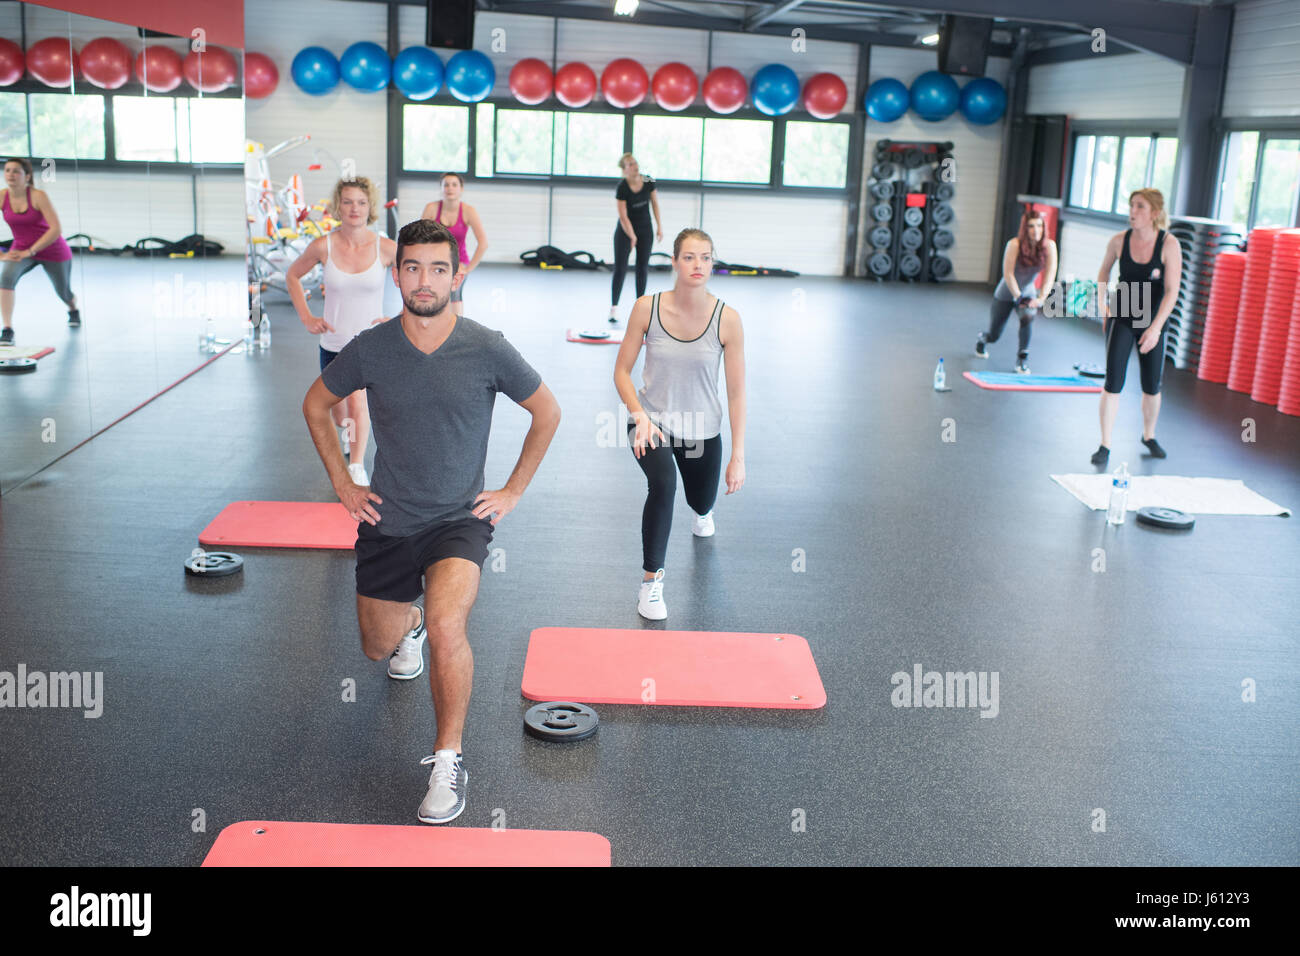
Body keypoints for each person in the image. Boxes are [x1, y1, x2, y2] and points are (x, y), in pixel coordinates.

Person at [302, 219, 560, 825]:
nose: (424, 280)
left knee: (450, 627)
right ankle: (407, 625)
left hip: (458, 522)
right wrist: (343, 481)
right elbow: (315, 405)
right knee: (376, 646)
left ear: (456, 274)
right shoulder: (372, 347)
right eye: (413, 268)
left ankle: (448, 759)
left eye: (438, 268)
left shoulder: (486, 346)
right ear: (396, 275)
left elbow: (546, 412)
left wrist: (513, 491)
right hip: (390, 519)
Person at [613, 228, 746, 620]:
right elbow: (621, 371)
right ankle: (651, 585)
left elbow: (737, 393)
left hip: (703, 429)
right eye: (689, 257)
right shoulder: (646, 308)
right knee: (663, 482)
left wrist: (737, 456)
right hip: (652, 420)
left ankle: (703, 511)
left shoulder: (728, 319)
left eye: (705, 257)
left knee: (700, 500)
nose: (698, 265)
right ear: (674, 262)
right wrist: (638, 414)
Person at [287, 177, 396, 486]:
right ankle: (350, 441)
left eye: (361, 202)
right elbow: (293, 275)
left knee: (358, 403)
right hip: (332, 342)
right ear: (338, 206)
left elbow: (415, 277)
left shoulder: (386, 249)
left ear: (370, 208)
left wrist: (399, 318)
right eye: (348, 202)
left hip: (369, 344)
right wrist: (307, 318)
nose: (354, 208)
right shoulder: (324, 245)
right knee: (337, 412)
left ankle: (358, 466)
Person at [1091, 188, 1181, 466]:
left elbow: (1171, 291)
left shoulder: (1169, 244)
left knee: (1151, 385)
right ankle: (1105, 444)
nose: (1132, 212)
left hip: (1153, 320)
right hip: (1123, 314)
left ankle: (1149, 435)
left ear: (1154, 213)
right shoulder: (1119, 241)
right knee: (1112, 382)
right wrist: (1103, 306)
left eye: (1140, 207)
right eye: (1131, 205)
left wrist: (1155, 329)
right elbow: (1104, 272)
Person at [1, 157, 78, 345]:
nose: (11, 174)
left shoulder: (38, 196)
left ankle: (73, 308)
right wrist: (2, 255)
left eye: (16, 171)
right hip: (20, 249)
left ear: (27, 176)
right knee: (5, 279)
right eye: (8, 170)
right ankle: (7, 328)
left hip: (52, 249)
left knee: (63, 291)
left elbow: (55, 229)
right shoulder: (2, 196)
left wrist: (31, 251)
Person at [975, 207, 1058, 374]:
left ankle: (1022, 359)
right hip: (1006, 292)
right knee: (995, 335)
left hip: (1028, 291)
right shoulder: (1014, 244)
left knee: (1028, 318)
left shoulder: (1049, 246)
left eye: (1040, 226)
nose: (1036, 230)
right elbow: (1008, 274)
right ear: (1025, 229)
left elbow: (1050, 276)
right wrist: (1018, 297)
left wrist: (1041, 299)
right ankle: (983, 339)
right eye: (1031, 226)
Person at [420, 172, 487, 317]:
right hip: (434, 261)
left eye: (454, 185)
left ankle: (457, 330)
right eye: (446, 185)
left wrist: (468, 268)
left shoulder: (469, 211)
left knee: (454, 291)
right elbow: (421, 239)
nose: (450, 188)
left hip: (458, 263)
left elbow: (483, 243)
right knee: (433, 296)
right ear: (441, 188)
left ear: (461, 189)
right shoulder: (431, 208)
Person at [609, 153, 663, 324]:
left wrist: (659, 226)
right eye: (630, 164)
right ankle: (614, 308)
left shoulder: (648, 181)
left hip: (645, 229)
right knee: (621, 268)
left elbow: (654, 204)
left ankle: (640, 309)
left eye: (635, 162)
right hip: (625, 230)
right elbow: (623, 216)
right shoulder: (622, 187)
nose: (635, 166)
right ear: (624, 170)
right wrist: (631, 236)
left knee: (642, 267)